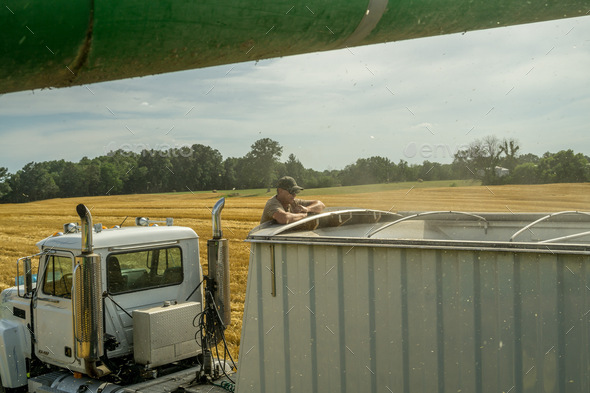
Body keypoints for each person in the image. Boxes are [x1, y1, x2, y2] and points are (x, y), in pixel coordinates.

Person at [260, 176, 325, 224]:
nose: (294, 195)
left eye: (296, 191)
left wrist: (307, 209)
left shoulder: (293, 202)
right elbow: (284, 218)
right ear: (280, 191)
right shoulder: (272, 204)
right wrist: (304, 215)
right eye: (291, 191)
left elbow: (321, 204)